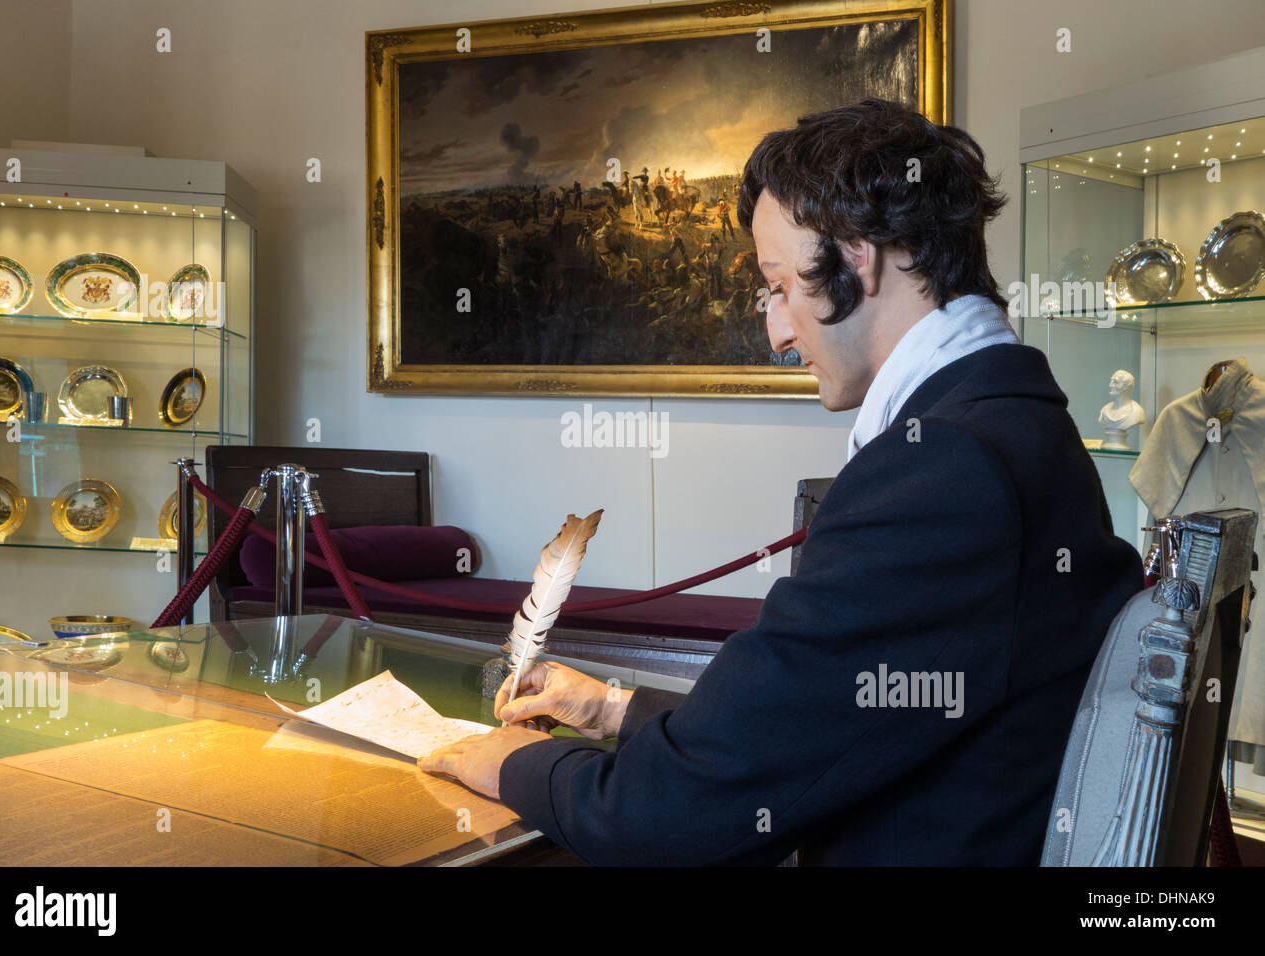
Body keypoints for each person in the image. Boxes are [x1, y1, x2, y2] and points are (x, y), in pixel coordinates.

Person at [419, 98, 1144, 865]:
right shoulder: (1010, 424)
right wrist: (612, 709)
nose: (776, 332)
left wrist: (514, 765)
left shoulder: (943, 471)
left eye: (780, 286)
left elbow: (672, 818)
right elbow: (823, 726)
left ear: (857, 257)